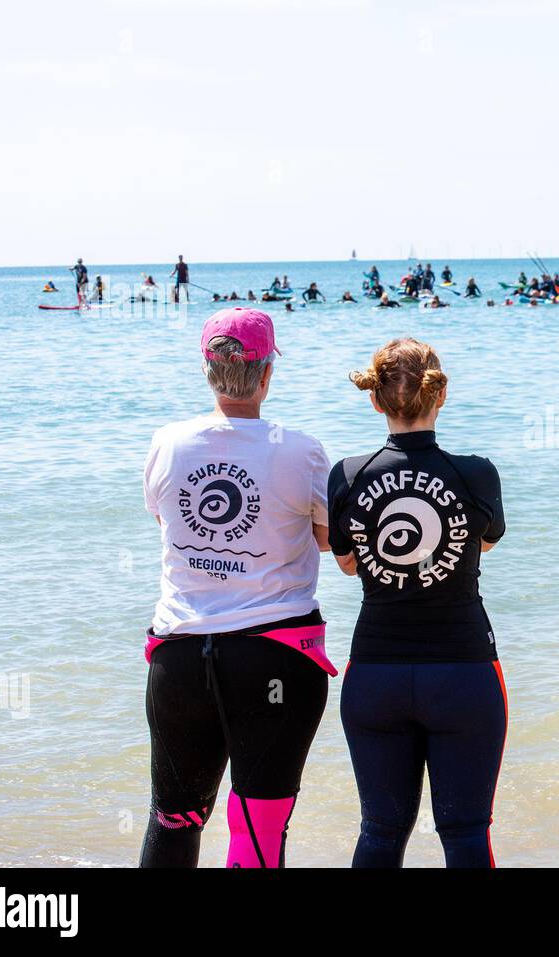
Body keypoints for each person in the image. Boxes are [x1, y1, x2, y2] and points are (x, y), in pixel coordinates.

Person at [139, 307, 335, 868]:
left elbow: (167, 523)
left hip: (179, 658)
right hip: (273, 658)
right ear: (268, 374)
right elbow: (326, 539)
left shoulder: (168, 442)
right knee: (256, 829)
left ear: (207, 369)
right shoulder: (301, 449)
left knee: (173, 818)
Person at [328, 339, 507, 868]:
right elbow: (484, 545)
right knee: (467, 834)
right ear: (441, 395)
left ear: (375, 401)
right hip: (463, 673)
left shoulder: (348, 474)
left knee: (380, 833)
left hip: (375, 676)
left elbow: (347, 562)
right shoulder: (476, 473)